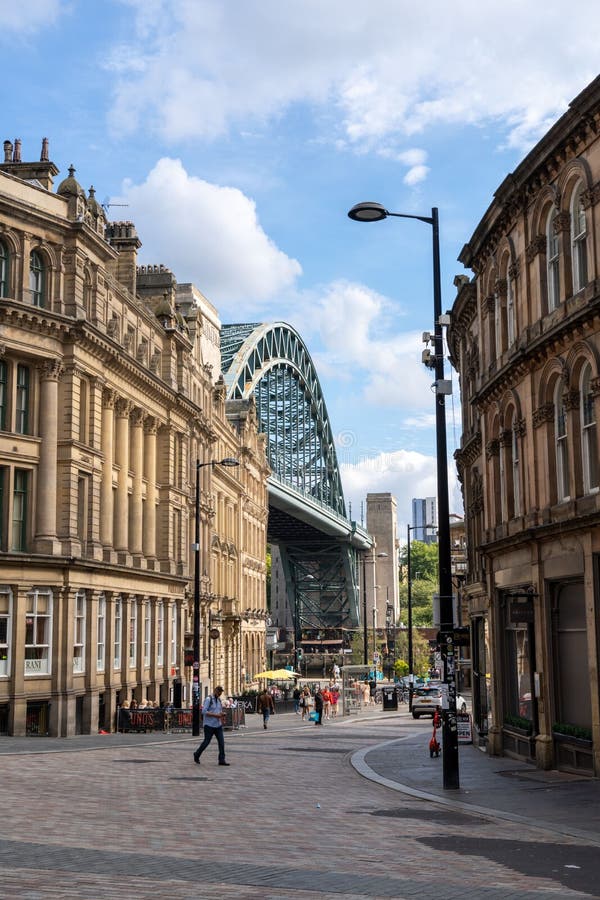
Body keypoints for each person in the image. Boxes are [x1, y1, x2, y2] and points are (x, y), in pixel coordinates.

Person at [193, 686, 230, 766]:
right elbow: (204, 711)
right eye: (219, 692)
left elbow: (219, 711)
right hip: (209, 725)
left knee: (221, 742)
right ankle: (197, 754)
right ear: (215, 691)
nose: (220, 693)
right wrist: (216, 715)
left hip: (218, 725)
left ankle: (221, 759)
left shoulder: (219, 700)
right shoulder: (208, 699)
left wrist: (222, 714)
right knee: (206, 742)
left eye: (221, 692)